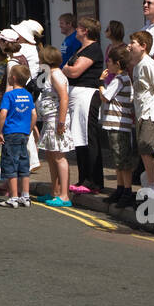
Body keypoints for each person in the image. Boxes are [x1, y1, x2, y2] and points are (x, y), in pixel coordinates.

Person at [63, 16, 104, 196]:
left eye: (79, 27)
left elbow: (74, 71)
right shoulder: (83, 48)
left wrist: (64, 67)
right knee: (79, 137)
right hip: (77, 96)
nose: (76, 30)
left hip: (87, 95)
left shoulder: (93, 49)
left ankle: (93, 181)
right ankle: (83, 178)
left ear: (85, 31)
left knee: (88, 136)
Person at [36, 44, 74, 206]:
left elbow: (64, 98)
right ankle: (55, 191)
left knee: (59, 156)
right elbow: (38, 87)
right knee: (51, 156)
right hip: (48, 119)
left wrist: (61, 121)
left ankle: (65, 196)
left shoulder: (57, 75)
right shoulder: (48, 73)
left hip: (55, 120)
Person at [128, 31, 154, 201]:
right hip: (141, 115)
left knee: (151, 152)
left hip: (151, 115)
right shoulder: (137, 66)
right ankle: (151, 186)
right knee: (144, 152)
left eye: (133, 42)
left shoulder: (149, 65)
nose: (129, 46)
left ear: (143, 46)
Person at [0, 66, 37, 208]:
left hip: (10, 133)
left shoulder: (9, 95)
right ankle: (25, 196)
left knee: (10, 164)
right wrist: (29, 130)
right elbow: (34, 115)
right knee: (24, 164)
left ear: (13, 78)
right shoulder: (28, 95)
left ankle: (13, 197)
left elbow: (3, 114)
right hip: (24, 134)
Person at [100, 45, 135, 208]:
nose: (108, 64)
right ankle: (121, 188)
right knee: (118, 158)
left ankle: (126, 190)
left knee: (122, 158)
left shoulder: (119, 79)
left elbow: (105, 97)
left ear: (118, 63)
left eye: (110, 61)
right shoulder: (124, 78)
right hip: (119, 124)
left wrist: (100, 82)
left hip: (118, 124)